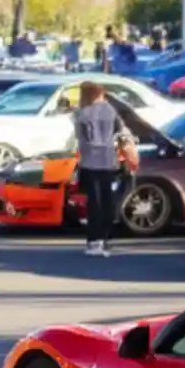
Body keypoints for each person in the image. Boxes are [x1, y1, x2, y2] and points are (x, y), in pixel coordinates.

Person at [73, 82, 131, 257]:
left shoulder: (81, 113)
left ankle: (93, 240)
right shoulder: (110, 110)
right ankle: (104, 238)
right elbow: (121, 131)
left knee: (93, 204)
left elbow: (79, 136)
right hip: (107, 161)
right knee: (106, 201)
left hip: (89, 162)